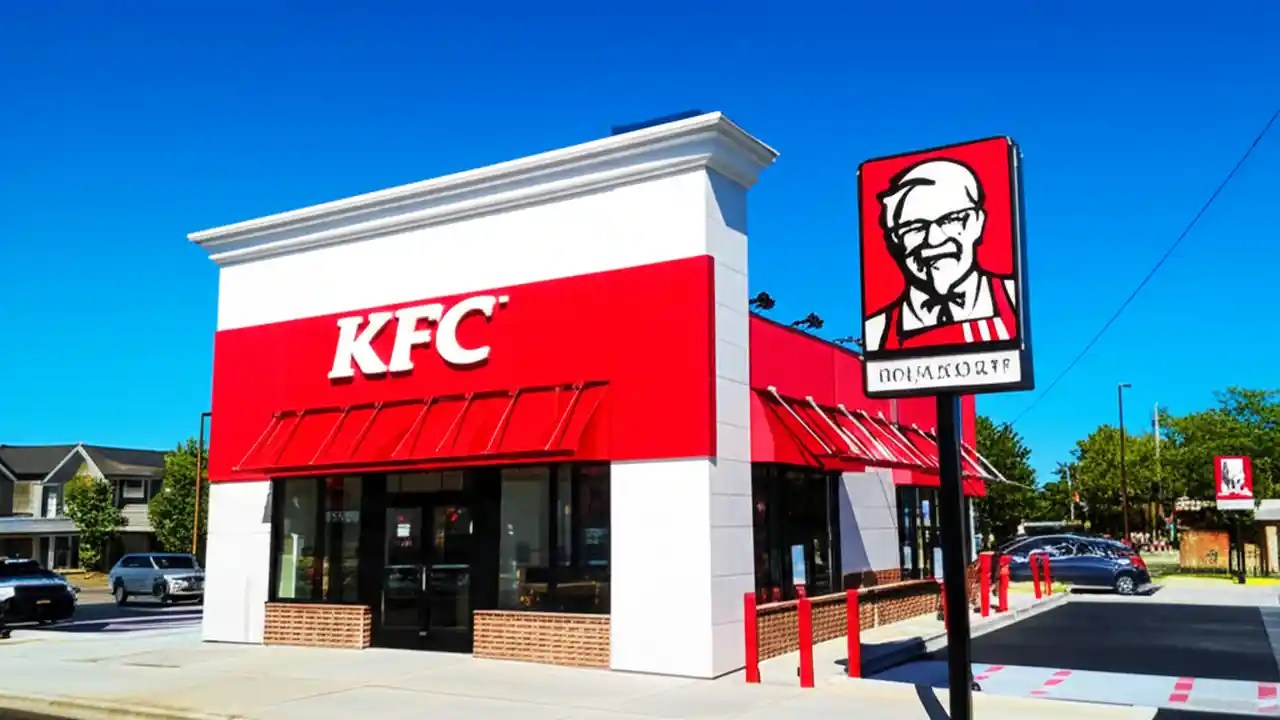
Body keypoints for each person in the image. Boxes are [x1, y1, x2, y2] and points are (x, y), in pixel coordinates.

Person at [865, 158, 1018, 352]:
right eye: (914, 227)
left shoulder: (1014, 299)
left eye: (951, 220)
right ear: (896, 239)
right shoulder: (876, 332)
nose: (934, 239)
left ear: (978, 223)